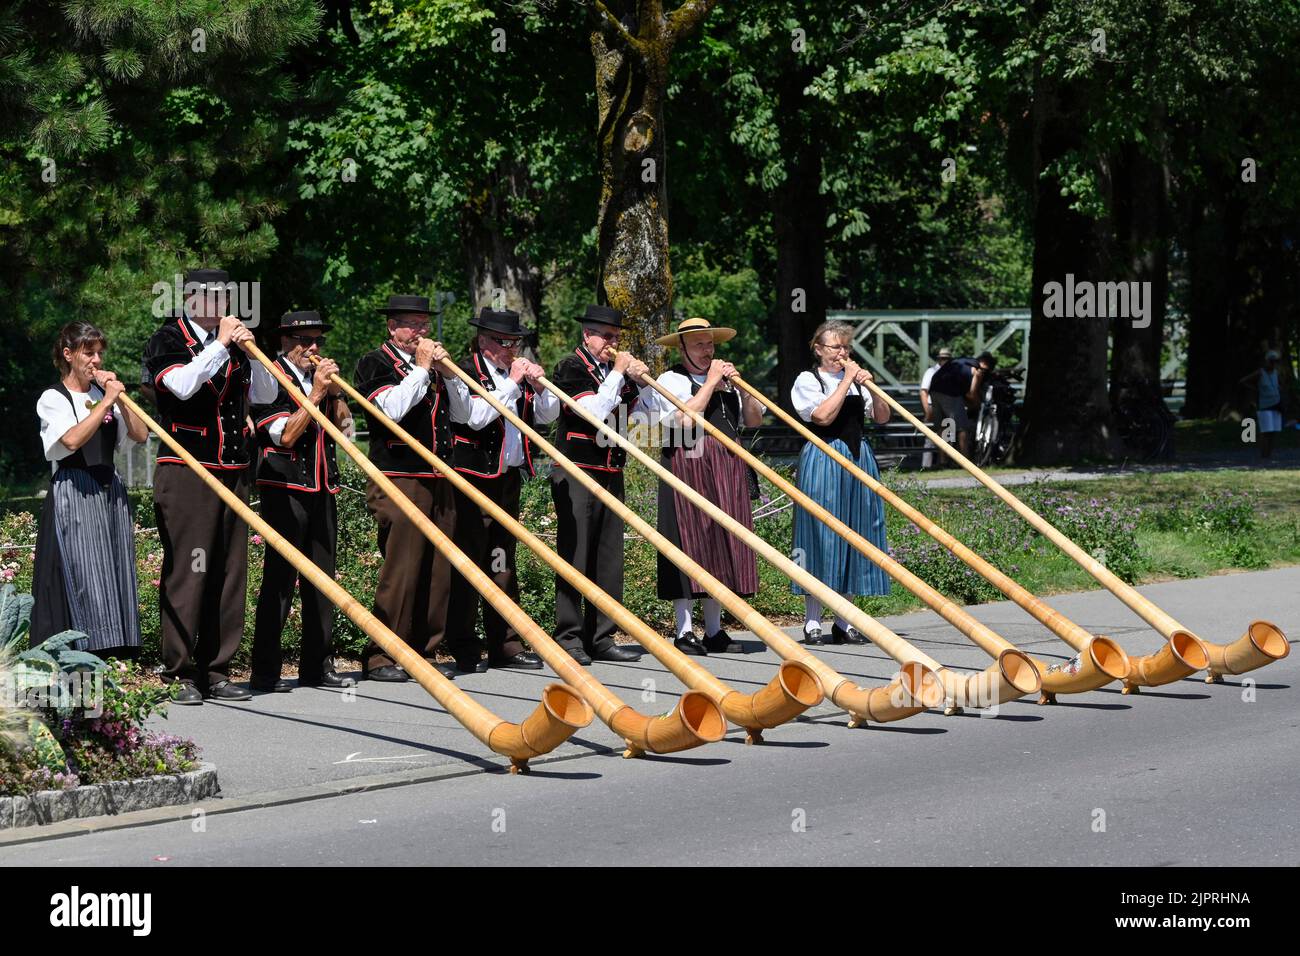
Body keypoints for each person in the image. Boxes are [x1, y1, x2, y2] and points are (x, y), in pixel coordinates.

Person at [141, 267, 278, 704]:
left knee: (229, 569)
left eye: (226, 297)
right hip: (188, 469)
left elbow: (265, 394)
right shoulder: (167, 339)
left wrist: (254, 353)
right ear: (192, 299)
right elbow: (180, 387)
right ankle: (179, 670)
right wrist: (219, 345)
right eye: (214, 297)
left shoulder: (236, 345)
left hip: (233, 469)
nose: (222, 305)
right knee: (191, 569)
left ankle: (217, 669)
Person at [635, 317, 765, 656]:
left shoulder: (727, 380)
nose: (707, 351)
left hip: (726, 465)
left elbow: (753, 420)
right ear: (682, 348)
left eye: (710, 344)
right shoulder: (670, 380)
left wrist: (743, 387)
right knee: (688, 543)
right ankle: (683, 630)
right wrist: (709, 384)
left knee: (721, 543)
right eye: (699, 345)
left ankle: (713, 630)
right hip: (688, 462)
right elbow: (684, 420)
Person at [444, 308, 558, 674]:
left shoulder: (518, 376)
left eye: (515, 343)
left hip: (508, 478)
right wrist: (512, 382)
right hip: (472, 478)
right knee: (468, 564)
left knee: (502, 562)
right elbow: (473, 417)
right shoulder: (462, 370)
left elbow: (547, 416)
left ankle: (505, 644)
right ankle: (463, 646)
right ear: (484, 341)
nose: (512, 349)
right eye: (504, 342)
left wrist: (540, 386)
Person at [353, 295, 459, 682]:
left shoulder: (433, 369)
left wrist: (448, 375)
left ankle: (422, 652)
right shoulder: (374, 362)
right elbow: (389, 411)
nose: (421, 333)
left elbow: (465, 417)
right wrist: (422, 368)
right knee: (403, 565)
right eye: (413, 325)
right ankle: (382, 654)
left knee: (438, 568)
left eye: (424, 325)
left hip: (438, 476)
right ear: (392, 328)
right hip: (398, 477)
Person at [31, 322, 148, 659]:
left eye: (99, 352)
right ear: (68, 355)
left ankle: (117, 649)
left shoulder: (104, 394)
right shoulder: (53, 397)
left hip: (109, 488)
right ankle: (85, 651)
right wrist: (106, 402)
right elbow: (69, 440)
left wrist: (120, 399)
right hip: (74, 489)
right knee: (86, 573)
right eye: (88, 352)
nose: (96, 360)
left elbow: (139, 435)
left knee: (114, 567)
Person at [249, 311, 351, 692]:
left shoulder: (318, 381)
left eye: (317, 342)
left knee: (322, 580)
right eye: (306, 341)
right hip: (285, 488)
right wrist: (317, 393)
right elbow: (285, 436)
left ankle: (318, 665)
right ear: (285, 344)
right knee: (280, 579)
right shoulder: (269, 377)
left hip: (323, 486)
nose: (314, 349)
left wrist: (335, 393)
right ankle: (265, 671)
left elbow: (343, 424)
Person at [547, 304, 648, 665]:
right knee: (575, 554)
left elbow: (640, 418)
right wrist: (618, 374)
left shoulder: (615, 374)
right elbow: (591, 413)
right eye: (605, 336)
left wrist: (639, 382)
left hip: (610, 470)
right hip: (576, 469)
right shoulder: (569, 368)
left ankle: (602, 635)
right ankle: (569, 635)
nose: (612, 343)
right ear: (586, 335)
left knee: (609, 558)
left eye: (616, 337)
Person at [789, 321, 892, 646]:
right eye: (835, 347)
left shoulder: (857, 383)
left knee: (856, 532)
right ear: (818, 348)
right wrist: (846, 379)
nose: (842, 354)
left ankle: (845, 620)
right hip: (824, 456)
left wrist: (872, 389)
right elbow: (821, 417)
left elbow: (882, 418)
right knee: (820, 535)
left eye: (846, 348)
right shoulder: (809, 380)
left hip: (859, 457)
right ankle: (813, 621)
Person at [928, 350, 996, 457]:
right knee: (962, 428)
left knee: (944, 426)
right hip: (949, 391)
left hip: (934, 388)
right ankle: (965, 458)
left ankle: (943, 461)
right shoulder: (978, 370)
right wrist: (977, 405)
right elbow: (972, 394)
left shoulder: (963, 361)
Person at [1239, 349, 1291, 460]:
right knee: (1266, 431)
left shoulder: (1277, 373)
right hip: (1265, 405)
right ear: (1267, 361)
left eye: (1275, 361)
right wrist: (1256, 389)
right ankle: (1263, 455)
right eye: (1271, 361)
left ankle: (1270, 454)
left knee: (1274, 431)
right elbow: (1244, 381)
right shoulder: (1260, 372)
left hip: (1277, 403)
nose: (1273, 364)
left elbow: (1282, 384)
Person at [918, 347, 951, 469]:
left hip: (947, 408)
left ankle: (944, 463)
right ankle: (926, 466)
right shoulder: (931, 372)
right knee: (930, 439)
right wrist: (928, 411)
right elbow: (923, 392)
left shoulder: (951, 373)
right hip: (933, 407)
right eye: (943, 358)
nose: (945, 361)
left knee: (948, 436)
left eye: (946, 359)